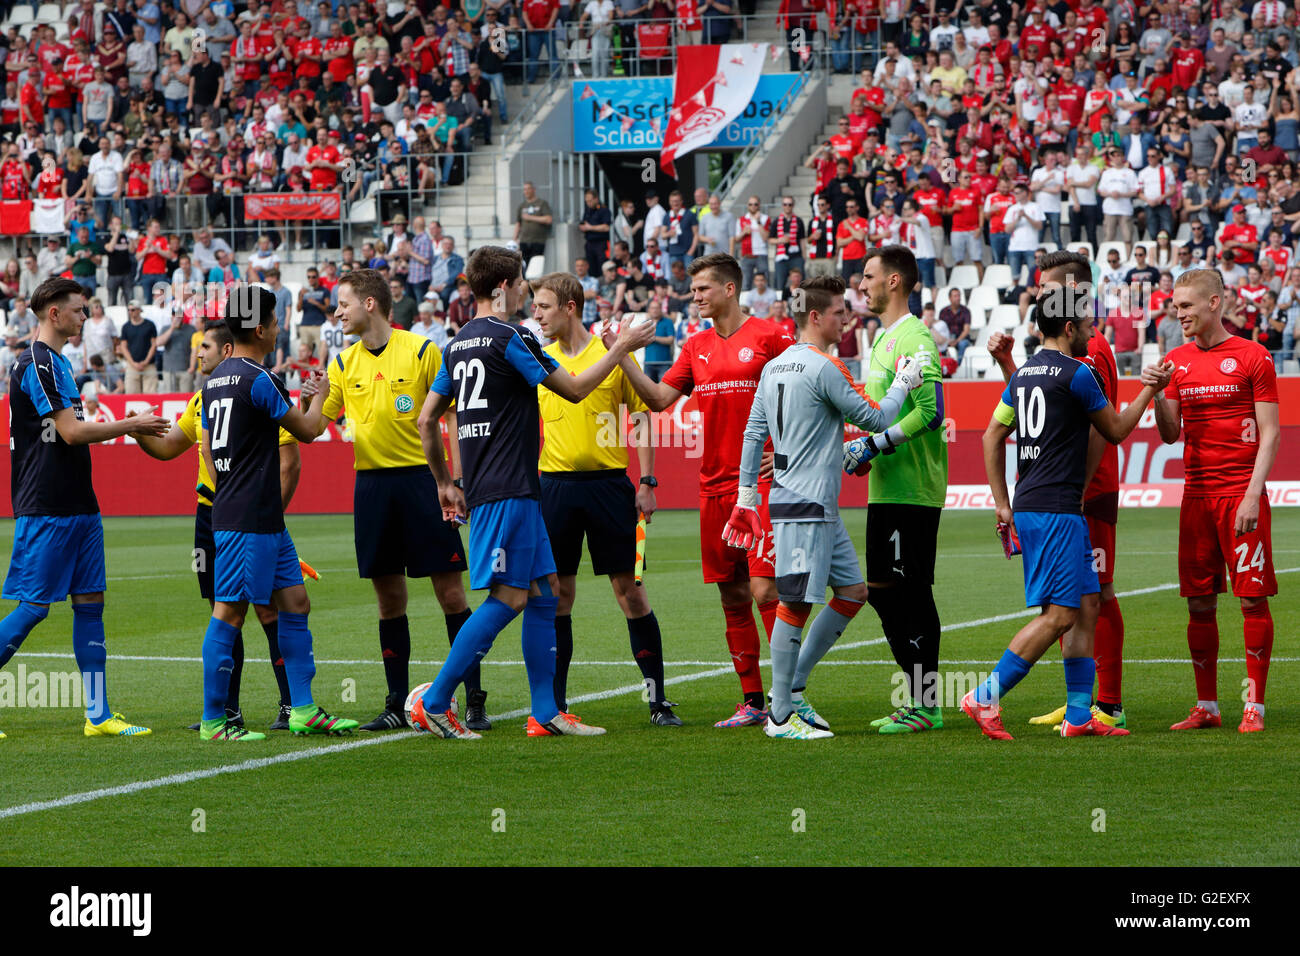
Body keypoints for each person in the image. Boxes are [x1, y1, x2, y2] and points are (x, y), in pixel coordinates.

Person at [408, 245, 654, 739]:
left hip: (501, 489)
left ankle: (546, 712)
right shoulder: (512, 336)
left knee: (547, 592)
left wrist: (444, 482)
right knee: (509, 598)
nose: (525, 291)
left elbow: (426, 418)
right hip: (510, 490)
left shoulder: (455, 344)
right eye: (521, 282)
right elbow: (578, 388)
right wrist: (621, 346)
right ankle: (435, 700)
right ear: (503, 289)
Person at [965, 267, 1172, 740]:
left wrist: (1002, 501)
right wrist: (1149, 388)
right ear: (1069, 328)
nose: (1090, 330)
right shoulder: (1079, 373)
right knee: (1059, 616)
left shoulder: (1023, 376)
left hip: (1039, 503)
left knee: (1087, 603)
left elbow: (993, 434)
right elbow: (1116, 431)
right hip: (1057, 508)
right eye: (1085, 323)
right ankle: (983, 696)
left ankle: (1079, 717)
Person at [729, 275, 922, 740]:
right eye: (839, 312)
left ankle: (793, 691)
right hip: (805, 505)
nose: (847, 318)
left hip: (813, 505)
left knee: (853, 592)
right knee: (793, 603)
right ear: (814, 317)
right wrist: (903, 382)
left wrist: (746, 497)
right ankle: (778, 717)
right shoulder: (824, 367)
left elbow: (754, 434)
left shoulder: (774, 366)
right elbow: (877, 417)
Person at [297, 269, 482, 732]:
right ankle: (396, 703)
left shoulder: (422, 350)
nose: (337, 312)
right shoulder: (341, 363)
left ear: (370, 304)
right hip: (373, 488)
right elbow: (315, 428)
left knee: (451, 592)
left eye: (343, 303)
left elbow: (453, 418)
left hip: (425, 483)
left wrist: (456, 481)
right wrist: (310, 400)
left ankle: (474, 697)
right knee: (388, 599)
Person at [614, 253, 794, 727]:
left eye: (702, 289)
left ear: (729, 289)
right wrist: (623, 356)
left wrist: (789, 450)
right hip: (712, 488)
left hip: (757, 484)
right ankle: (753, 702)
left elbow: (806, 393)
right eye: (692, 290)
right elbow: (656, 400)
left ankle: (788, 698)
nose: (694, 297)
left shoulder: (772, 336)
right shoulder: (695, 346)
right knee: (732, 596)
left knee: (764, 587)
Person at [0, 277, 169, 739]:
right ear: (54, 314)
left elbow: (71, 429)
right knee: (33, 608)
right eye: (78, 309)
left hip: (77, 502)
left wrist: (120, 426)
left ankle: (98, 714)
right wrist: (130, 423)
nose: (85, 316)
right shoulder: (36, 363)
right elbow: (71, 433)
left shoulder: (55, 362)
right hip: (46, 503)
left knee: (90, 603)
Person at [196, 284, 359, 741]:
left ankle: (303, 709)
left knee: (296, 602)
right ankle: (213, 721)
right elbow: (308, 431)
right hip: (249, 519)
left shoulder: (218, 380)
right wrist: (322, 395)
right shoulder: (258, 377)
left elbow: (209, 449)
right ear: (263, 327)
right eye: (275, 321)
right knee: (229, 613)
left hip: (256, 515)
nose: (279, 329)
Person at [987, 251, 1130, 730]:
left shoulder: (1097, 351)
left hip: (1083, 493)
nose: (1040, 294)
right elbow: (1056, 412)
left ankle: (1102, 704)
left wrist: (1081, 490)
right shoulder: (1061, 360)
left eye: (1048, 289)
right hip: (1062, 497)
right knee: (1073, 605)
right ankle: (1072, 707)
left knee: (1093, 596)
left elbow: (1091, 428)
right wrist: (1009, 362)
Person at [131, 319, 297, 730]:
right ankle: (227, 711)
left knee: (267, 609)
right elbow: (170, 446)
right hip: (210, 515)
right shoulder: (202, 398)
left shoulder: (254, 388)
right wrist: (136, 430)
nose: (197, 352)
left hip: (246, 514)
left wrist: (267, 514)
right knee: (223, 609)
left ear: (226, 351)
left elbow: (289, 461)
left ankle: (290, 706)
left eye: (205, 345)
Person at [532, 272, 679, 727]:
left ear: (570, 307)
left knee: (631, 592)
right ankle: (554, 707)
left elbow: (641, 418)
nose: (536, 315)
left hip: (610, 487)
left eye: (543, 306)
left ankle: (657, 701)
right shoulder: (537, 359)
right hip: (553, 488)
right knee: (558, 596)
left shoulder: (612, 354)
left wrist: (648, 481)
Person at [1155, 269, 1280, 734]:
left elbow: (1271, 434)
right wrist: (1155, 392)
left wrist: (1252, 495)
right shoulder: (1177, 361)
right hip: (1196, 498)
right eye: (1175, 305)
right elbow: (1169, 436)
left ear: (1214, 303)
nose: (1177, 313)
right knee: (1198, 602)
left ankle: (1256, 705)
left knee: (1251, 600)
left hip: (1240, 497)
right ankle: (1206, 705)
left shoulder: (1253, 356)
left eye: (1186, 306)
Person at [838, 246, 948, 734]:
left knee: (910, 592)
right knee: (883, 592)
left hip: (912, 490)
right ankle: (921, 699)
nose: (861, 285)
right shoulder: (884, 338)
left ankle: (926, 704)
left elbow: (931, 413)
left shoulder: (915, 337)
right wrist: (869, 448)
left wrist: (875, 445)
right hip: (886, 489)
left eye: (868, 276)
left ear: (895, 281)